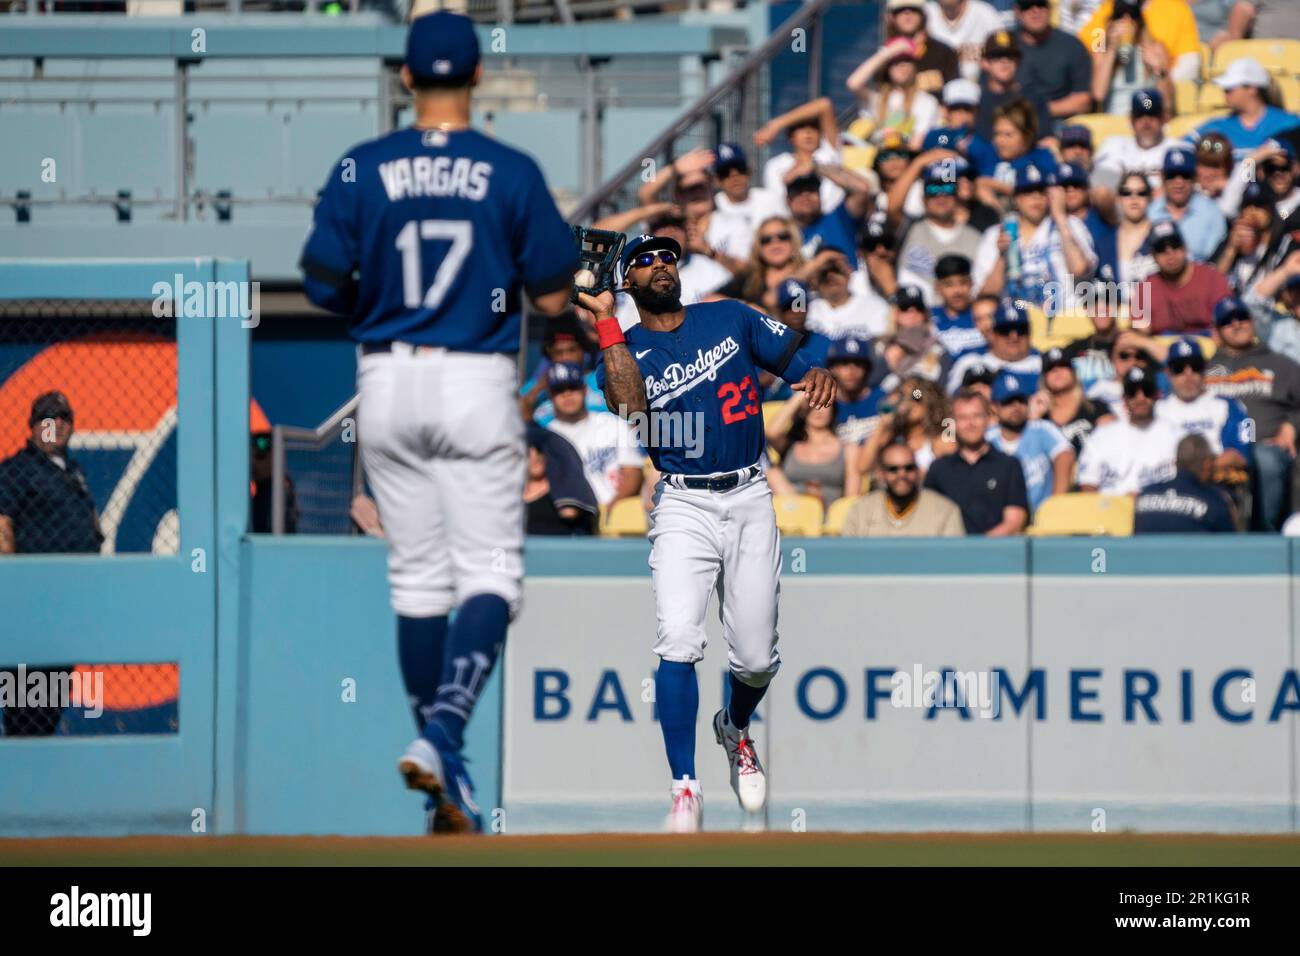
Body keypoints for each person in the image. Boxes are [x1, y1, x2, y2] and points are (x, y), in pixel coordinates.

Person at [298, 12, 577, 835]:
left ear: (407, 78)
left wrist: (376, 303)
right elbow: (555, 296)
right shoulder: (511, 170)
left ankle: (445, 783)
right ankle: (445, 730)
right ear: (479, 79)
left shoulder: (363, 166)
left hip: (385, 376)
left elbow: (317, 280)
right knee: (491, 578)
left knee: (418, 582)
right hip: (475, 378)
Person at [583, 232, 835, 832]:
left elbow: (795, 360)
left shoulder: (727, 316)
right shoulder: (624, 346)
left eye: (667, 255)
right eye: (642, 260)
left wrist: (813, 373)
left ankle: (735, 728)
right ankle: (684, 789)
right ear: (626, 283)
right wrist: (605, 323)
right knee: (678, 640)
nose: (659, 264)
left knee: (754, 660)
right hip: (683, 504)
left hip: (749, 494)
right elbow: (625, 405)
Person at [1204, 294, 1300, 530]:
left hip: (1266, 445)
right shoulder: (1203, 369)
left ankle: (1264, 535)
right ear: (1216, 332)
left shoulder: (1282, 364)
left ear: (1252, 322)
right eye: (1228, 321)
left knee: (1264, 459)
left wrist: (1291, 426)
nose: (1237, 324)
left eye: (1242, 318)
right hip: (1215, 449)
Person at [976, 162, 1098, 311]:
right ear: (1016, 198)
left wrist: (1060, 219)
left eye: (1041, 191)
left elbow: (1080, 269)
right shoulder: (997, 233)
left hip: (1065, 321)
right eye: (1028, 191)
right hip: (1018, 326)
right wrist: (1002, 256)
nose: (1035, 197)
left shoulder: (1071, 224)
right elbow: (987, 294)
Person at [0, 391, 103, 556]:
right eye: (50, 416)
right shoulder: (16, 469)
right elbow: (2, 523)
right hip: (38, 573)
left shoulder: (73, 470)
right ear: (34, 425)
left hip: (82, 570)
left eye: (65, 417)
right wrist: (10, 573)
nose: (59, 423)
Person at [923, 387, 1030, 533]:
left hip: (995, 552)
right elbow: (927, 518)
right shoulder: (938, 469)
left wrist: (978, 550)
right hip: (949, 552)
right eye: (963, 418)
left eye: (976, 416)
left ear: (988, 418)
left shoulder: (1009, 465)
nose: (970, 423)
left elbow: (1014, 522)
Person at [1154, 337, 1254, 485]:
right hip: (1165, 486)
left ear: (1205, 368)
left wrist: (1199, 469)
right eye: (1179, 368)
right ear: (1168, 372)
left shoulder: (1233, 406)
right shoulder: (1156, 410)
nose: (1188, 375)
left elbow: (1242, 456)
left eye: (1195, 366)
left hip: (1213, 484)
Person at [544, 362, 644, 508]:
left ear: (584, 390)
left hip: (614, 511)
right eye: (559, 390)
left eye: (573, 387)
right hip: (570, 515)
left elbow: (633, 471)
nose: (567, 394)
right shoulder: (546, 436)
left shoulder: (613, 424)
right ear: (550, 396)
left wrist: (612, 507)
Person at [893, 160, 988, 300]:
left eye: (948, 189)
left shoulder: (976, 237)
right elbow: (892, 208)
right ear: (923, 198)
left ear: (957, 196)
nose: (941, 196)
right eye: (933, 190)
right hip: (918, 314)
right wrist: (920, 162)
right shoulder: (906, 229)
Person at [1077, 366, 1180, 493]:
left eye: (1146, 391)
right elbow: (1088, 484)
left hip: (1156, 508)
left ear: (1156, 395)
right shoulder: (1101, 436)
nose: (1140, 398)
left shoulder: (1174, 434)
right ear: (1124, 399)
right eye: (1132, 392)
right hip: (1109, 509)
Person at [987, 370, 1075, 511]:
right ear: (994, 407)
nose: (1016, 407)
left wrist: (1055, 507)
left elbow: (1064, 456)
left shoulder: (1041, 428)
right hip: (1000, 518)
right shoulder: (987, 438)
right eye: (1008, 402)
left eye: (1020, 400)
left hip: (1042, 519)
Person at [841, 440, 966, 535]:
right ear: (881, 474)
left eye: (909, 468)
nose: (902, 475)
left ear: (918, 471)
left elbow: (954, 562)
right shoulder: (861, 511)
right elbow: (848, 559)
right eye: (893, 469)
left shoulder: (945, 511)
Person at [846, 36, 943, 152]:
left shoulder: (926, 101)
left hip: (906, 159)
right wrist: (887, 53)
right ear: (887, 68)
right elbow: (853, 83)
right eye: (896, 62)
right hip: (874, 161)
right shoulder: (877, 98)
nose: (903, 66)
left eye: (908, 61)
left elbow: (916, 146)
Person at [1195, 58, 1300, 161]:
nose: (1224, 93)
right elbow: (1183, 151)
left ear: (1252, 88)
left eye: (1229, 89)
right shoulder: (1215, 127)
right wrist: (1252, 160)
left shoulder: (1290, 124)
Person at [1137, 220, 1232, 334]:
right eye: (1161, 248)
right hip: (1164, 348)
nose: (1170, 253)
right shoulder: (1145, 287)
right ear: (1152, 255)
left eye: (1175, 245)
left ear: (1185, 248)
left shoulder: (1212, 278)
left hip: (1210, 347)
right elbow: (1138, 332)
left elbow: (1229, 322)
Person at [1077, 0, 1204, 84]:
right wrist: (1108, 47)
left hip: (1154, 94)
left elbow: (1190, 64)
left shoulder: (1176, 9)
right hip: (1112, 93)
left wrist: (1160, 78)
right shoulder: (1106, 11)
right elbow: (1088, 50)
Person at [757, 97, 846, 214]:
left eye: (814, 127)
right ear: (791, 137)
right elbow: (778, 204)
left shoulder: (829, 154)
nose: (808, 132)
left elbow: (824, 105)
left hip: (829, 223)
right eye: (801, 127)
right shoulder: (775, 165)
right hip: (795, 227)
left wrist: (777, 124)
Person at [1133, 432, 1237, 532]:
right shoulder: (1214, 501)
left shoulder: (1144, 496)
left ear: (1175, 462)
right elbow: (1229, 546)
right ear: (1207, 464)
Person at [1014, 0, 1095, 128]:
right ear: (1017, 12)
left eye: (1041, 5)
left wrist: (1038, 110)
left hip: (1059, 122)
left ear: (1050, 9)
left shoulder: (1072, 46)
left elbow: (1083, 100)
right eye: (1027, 6)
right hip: (1013, 121)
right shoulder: (1005, 46)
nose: (1036, 11)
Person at [1088, 0, 1177, 116]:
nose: (1127, 21)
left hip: (1145, 117)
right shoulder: (1101, 50)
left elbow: (1167, 103)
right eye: (1120, 17)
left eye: (1132, 17)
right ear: (1112, 22)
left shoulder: (1156, 48)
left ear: (1140, 22)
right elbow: (1098, 95)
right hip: (1115, 120)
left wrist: (1159, 71)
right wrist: (1112, 50)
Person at [855, 374, 955, 476]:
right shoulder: (891, 438)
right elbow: (863, 467)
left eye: (916, 397)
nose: (909, 402)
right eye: (903, 397)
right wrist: (882, 424)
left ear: (931, 402)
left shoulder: (940, 441)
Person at [766, 393, 855, 506]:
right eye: (812, 404)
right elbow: (771, 433)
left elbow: (851, 499)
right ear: (801, 410)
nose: (818, 410)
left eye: (824, 404)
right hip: (793, 512)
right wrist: (801, 395)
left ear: (833, 409)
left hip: (829, 516)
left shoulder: (848, 449)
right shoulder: (790, 445)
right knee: (773, 474)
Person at [518, 311, 604, 425]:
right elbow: (513, 418)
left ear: (583, 350)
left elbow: (624, 414)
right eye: (558, 352)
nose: (566, 358)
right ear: (549, 354)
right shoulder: (534, 387)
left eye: (571, 350)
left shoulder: (601, 381)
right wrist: (538, 389)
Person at [706, 143, 787, 262]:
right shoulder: (713, 206)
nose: (734, 176)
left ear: (749, 171)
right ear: (717, 180)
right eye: (725, 172)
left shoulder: (770, 199)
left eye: (740, 169)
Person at [947, 297, 1043, 392]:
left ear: (1030, 331)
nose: (1014, 336)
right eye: (1005, 329)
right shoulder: (969, 363)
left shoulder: (1045, 364)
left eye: (1021, 329)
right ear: (993, 333)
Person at [1149, 147, 1227, 263]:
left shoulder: (1212, 213)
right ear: (1162, 177)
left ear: (1195, 177)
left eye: (1185, 175)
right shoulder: (1150, 211)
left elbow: (1217, 260)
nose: (1179, 183)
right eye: (1171, 175)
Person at [976, 33, 1054, 148]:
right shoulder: (975, 100)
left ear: (1018, 62)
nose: (1004, 61)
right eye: (997, 56)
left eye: (1010, 56)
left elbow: (1048, 140)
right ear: (984, 63)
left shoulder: (1032, 98)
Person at [716, 216, 808, 312]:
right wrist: (747, 309)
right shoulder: (750, 278)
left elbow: (799, 312)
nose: (775, 244)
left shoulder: (812, 276)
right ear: (759, 248)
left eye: (782, 237)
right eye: (766, 239)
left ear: (794, 241)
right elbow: (709, 299)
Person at [523, 424, 599, 536]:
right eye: (527, 452)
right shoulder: (509, 494)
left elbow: (569, 512)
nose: (535, 456)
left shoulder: (563, 489)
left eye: (539, 450)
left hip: (562, 550)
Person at [1093, 89, 1177, 191]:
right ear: (1131, 119)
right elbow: (1102, 188)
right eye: (1140, 115)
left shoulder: (1177, 149)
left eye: (1152, 114)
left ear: (1163, 118)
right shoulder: (1113, 145)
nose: (1146, 122)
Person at [1040, 346, 1115, 453]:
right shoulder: (1041, 418)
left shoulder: (1096, 408)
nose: (1057, 370)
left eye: (1062, 365)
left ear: (1073, 372)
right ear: (1044, 379)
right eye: (1050, 368)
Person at [807, 247, 890, 339]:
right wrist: (815, 264)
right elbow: (790, 286)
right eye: (823, 272)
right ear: (813, 276)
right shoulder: (803, 308)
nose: (830, 276)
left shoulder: (876, 308)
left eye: (837, 269)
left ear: (849, 271)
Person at [886, 0, 962, 93]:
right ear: (891, 17)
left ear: (923, 15)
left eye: (914, 9)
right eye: (900, 10)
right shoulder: (885, 56)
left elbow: (955, 94)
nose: (908, 14)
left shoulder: (944, 52)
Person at [926, 0, 1006, 81]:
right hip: (940, 87)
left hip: (980, 84)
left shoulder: (985, 12)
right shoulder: (926, 12)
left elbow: (1004, 51)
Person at [931, 254, 989, 358]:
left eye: (963, 283)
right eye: (949, 284)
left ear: (971, 283)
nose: (957, 291)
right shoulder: (928, 318)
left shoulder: (985, 315)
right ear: (937, 287)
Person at [1113, 171, 1157, 290]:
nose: (1134, 198)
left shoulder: (1163, 237)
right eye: (1126, 193)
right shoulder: (1105, 241)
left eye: (1141, 193)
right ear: (1118, 198)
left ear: (1150, 197)